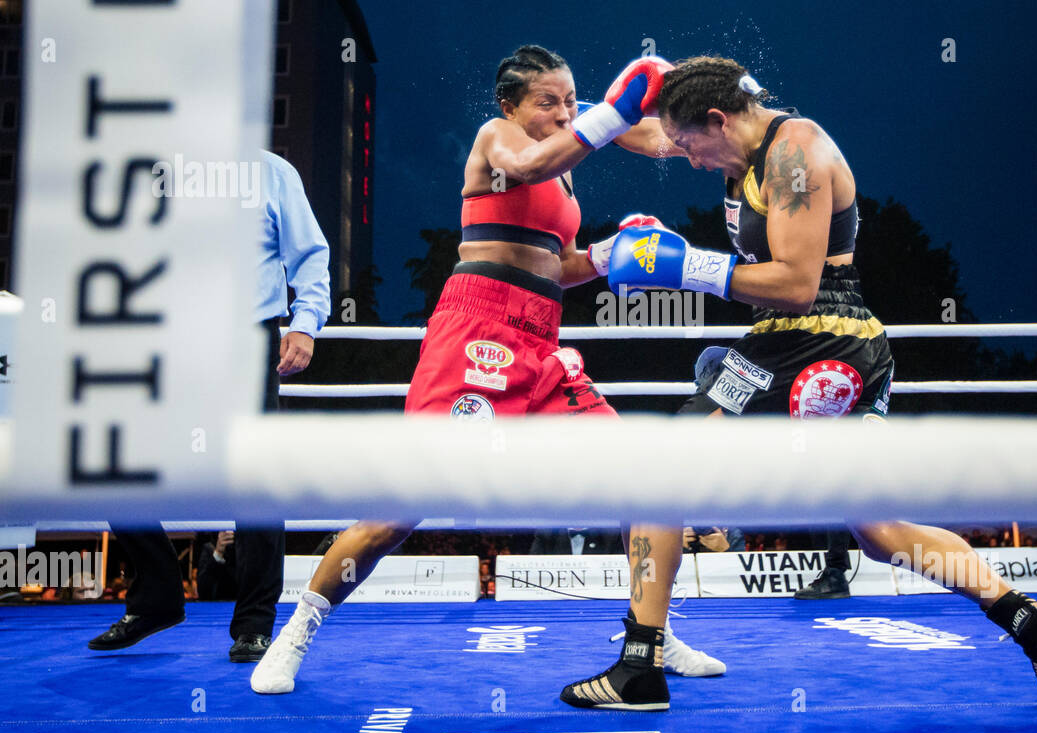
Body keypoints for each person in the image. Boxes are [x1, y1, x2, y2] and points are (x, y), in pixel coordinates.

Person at [561, 56, 1037, 713]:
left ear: (719, 120)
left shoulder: (795, 154)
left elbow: (795, 283)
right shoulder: (738, 145)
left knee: (655, 474)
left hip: (810, 338)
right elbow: (649, 135)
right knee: (878, 529)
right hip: (838, 350)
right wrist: (569, 115)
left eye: (694, 145)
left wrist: (683, 265)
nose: (689, 162)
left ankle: (640, 666)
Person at [251, 45, 721, 693]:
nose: (563, 112)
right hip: (476, 331)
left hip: (543, 337)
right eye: (547, 101)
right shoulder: (499, 139)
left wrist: (616, 252)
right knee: (402, 507)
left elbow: (562, 261)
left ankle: (653, 640)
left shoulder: (568, 163)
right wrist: (610, 115)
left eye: (570, 99)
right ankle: (297, 630)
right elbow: (529, 166)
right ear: (510, 105)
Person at [88, 150, 329, 662]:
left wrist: (306, 319)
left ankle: (254, 625)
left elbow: (309, 253)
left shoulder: (271, 172)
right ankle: (156, 596)